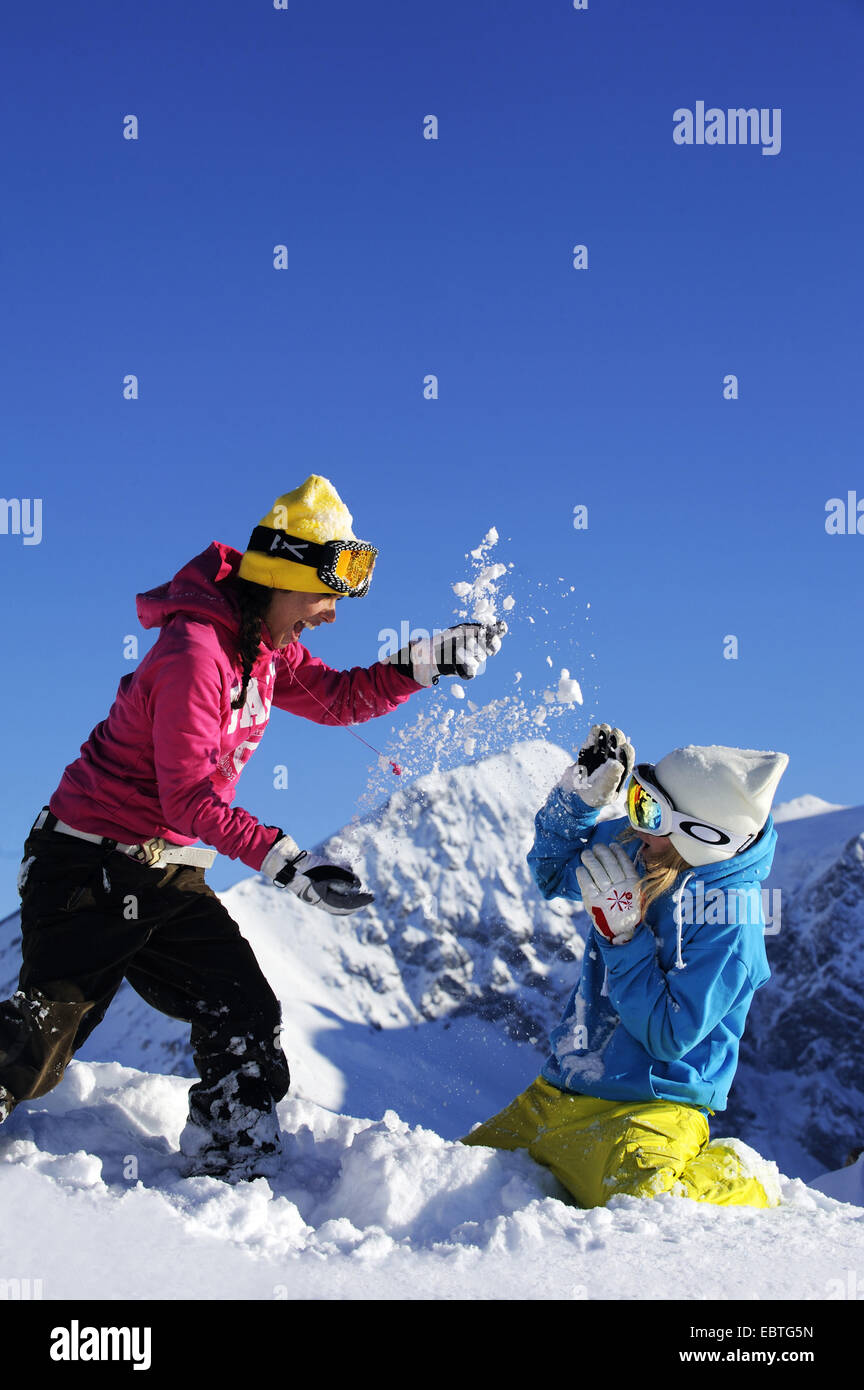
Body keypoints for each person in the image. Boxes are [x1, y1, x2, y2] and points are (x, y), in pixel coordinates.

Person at [0, 475, 504, 1180]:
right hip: (88, 865)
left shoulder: (260, 647)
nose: (330, 614)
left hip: (162, 868)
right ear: (282, 577)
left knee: (242, 1007)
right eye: (323, 595)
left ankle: (232, 1163)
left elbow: (336, 699)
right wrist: (289, 863)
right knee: (37, 1046)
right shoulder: (196, 655)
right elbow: (187, 800)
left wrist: (422, 664)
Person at [462, 724, 788, 1209]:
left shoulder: (731, 921)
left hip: (652, 1108)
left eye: (653, 813)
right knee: (455, 1177)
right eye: (640, 799)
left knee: (649, 1202)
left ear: (701, 836)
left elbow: (667, 1035)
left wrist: (623, 938)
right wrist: (578, 801)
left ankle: (739, 1179)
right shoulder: (642, 849)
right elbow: (553, 874)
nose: (636, 823)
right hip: (561, 1088)